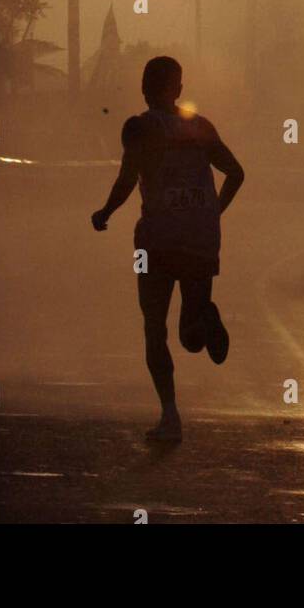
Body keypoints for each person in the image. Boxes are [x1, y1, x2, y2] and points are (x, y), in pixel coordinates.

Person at [91, 56, 244, 443]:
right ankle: (205, 317)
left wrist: (105, 212)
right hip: (200, 240)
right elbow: (236, 173)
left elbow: (127, 180)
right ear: (177, 89)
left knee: (154, 328)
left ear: (144, 88)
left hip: (155, 243)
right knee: (191, 338)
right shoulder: (200, 127)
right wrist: (213, 212)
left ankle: (170, 416)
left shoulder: (142, 129)